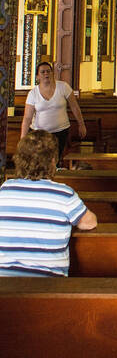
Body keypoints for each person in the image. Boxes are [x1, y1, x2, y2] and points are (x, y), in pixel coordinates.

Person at [0, 129, 97, 276]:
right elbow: (89, 223)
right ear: (53, 161)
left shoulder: (5, 189)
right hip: (48, 280)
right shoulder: (64, 194)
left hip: (5, 281)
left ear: (19, 160)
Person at [20, 61, 87, 164]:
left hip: (60, 131)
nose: (46, 74)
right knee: (40, 161)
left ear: (52, 73)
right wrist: (23, 139)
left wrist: (81, 124)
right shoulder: (33, 93)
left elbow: (75, 107)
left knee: (55, 161)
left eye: (48, 71)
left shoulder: (63, 87)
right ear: (37, 76)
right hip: (39, 133)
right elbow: (27, 118)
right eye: (43, 72)